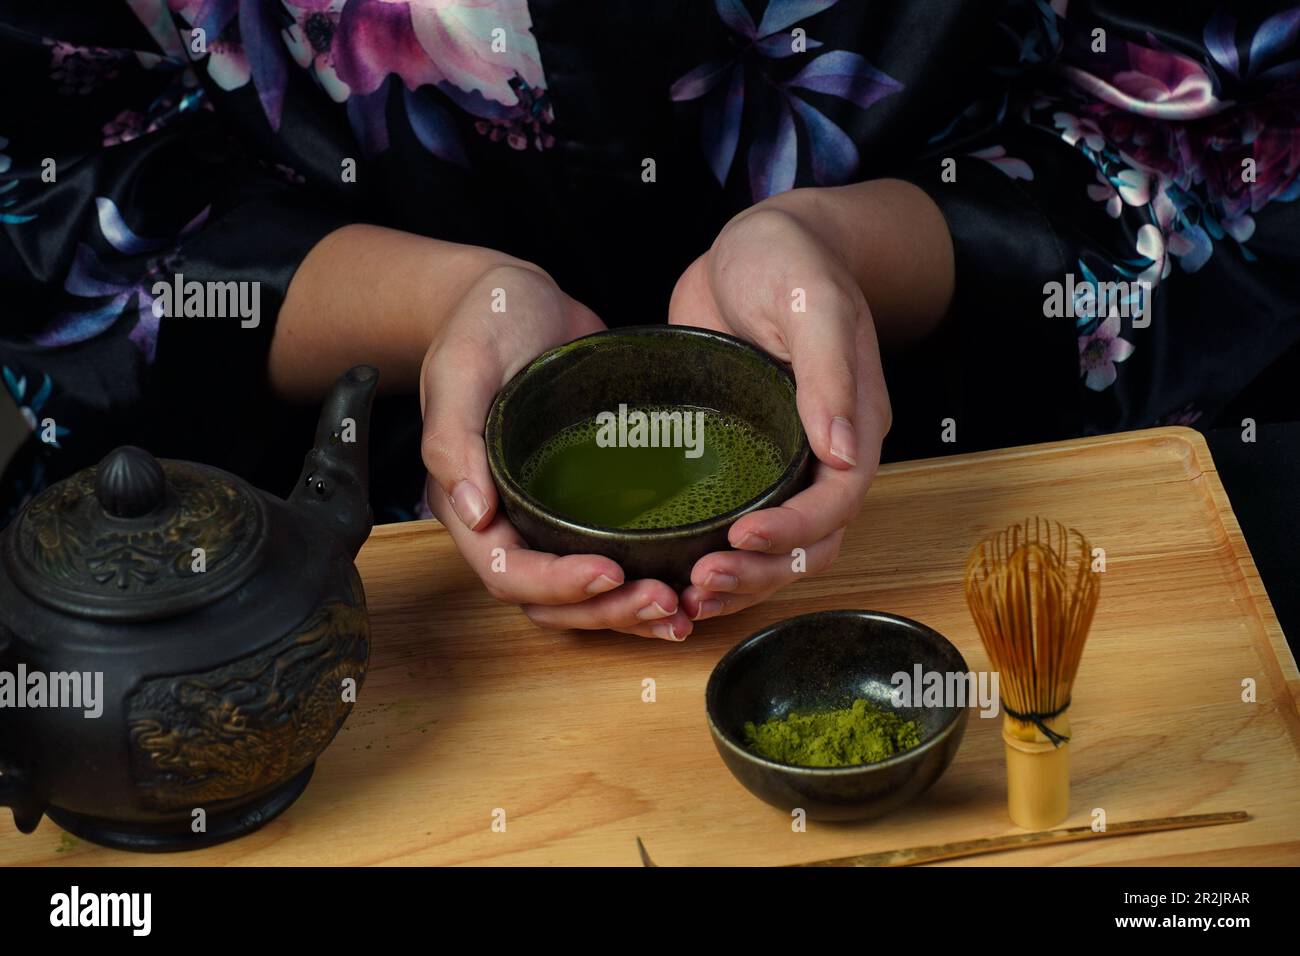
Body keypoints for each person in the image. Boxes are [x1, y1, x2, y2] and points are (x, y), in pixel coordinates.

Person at [3, 1, 1298, 641]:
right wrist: (450, 305)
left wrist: (838, 252)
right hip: (290, 583)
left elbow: (1201, 140)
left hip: (1007, 512)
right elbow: (53, 193)